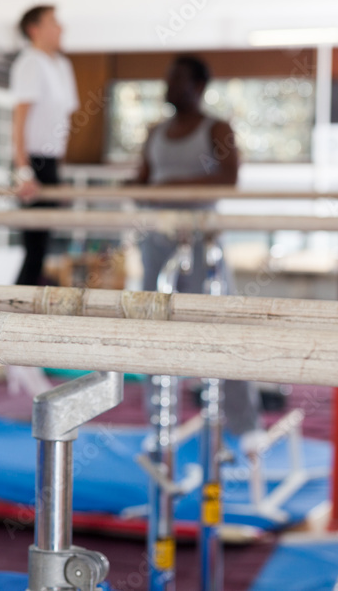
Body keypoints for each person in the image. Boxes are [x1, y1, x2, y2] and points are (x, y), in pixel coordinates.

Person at [134, 55, 259, 435]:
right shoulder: (155, 131)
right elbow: (140, 181)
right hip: (157, 242)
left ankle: (243, 423)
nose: (168, 87)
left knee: (223, 329)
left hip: (203, 244)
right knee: (153, 328)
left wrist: (172, 187)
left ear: (199, 87)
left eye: (177, 80)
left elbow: (230, 177)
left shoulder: (217, 128)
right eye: (167, 79)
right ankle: (158, 423)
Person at [9, 4, 79, 286]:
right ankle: (13, 313)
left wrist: (58, 175)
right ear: (34, 29)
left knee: (44, 247)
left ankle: (24, 310)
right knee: (35, 249)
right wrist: (23, 172)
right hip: (31, 161)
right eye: (53, 22)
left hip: (50, 161)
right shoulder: (30, 62)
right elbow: (19, 120)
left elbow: (59, 127)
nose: (60, 27)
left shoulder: (62, 65)